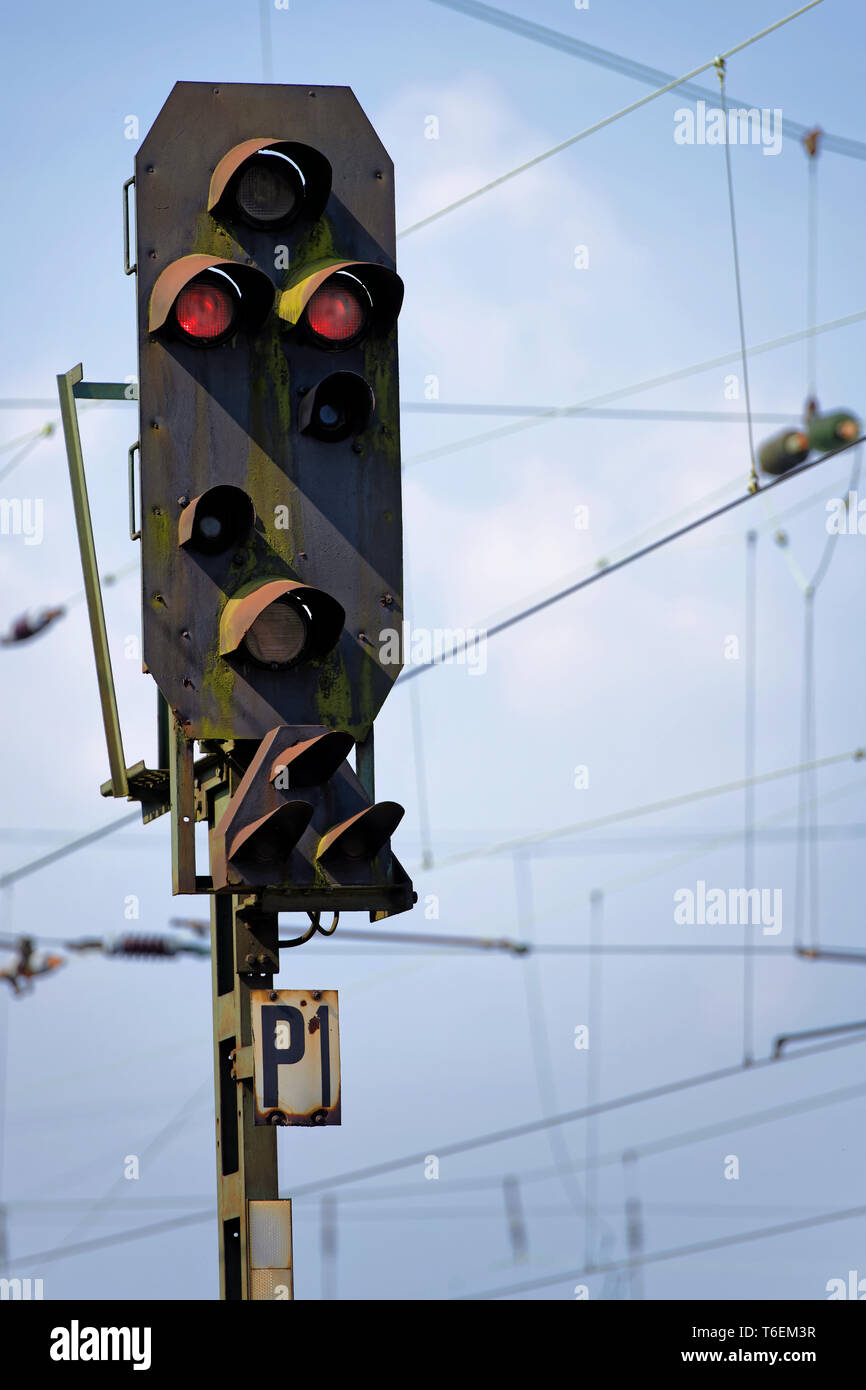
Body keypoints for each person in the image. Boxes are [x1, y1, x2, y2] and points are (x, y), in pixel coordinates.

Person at [0, 606, 65, 645]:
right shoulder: (16, 631)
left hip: (30, 626)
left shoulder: (47, 622)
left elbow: (36, 630)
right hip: (29, 626)